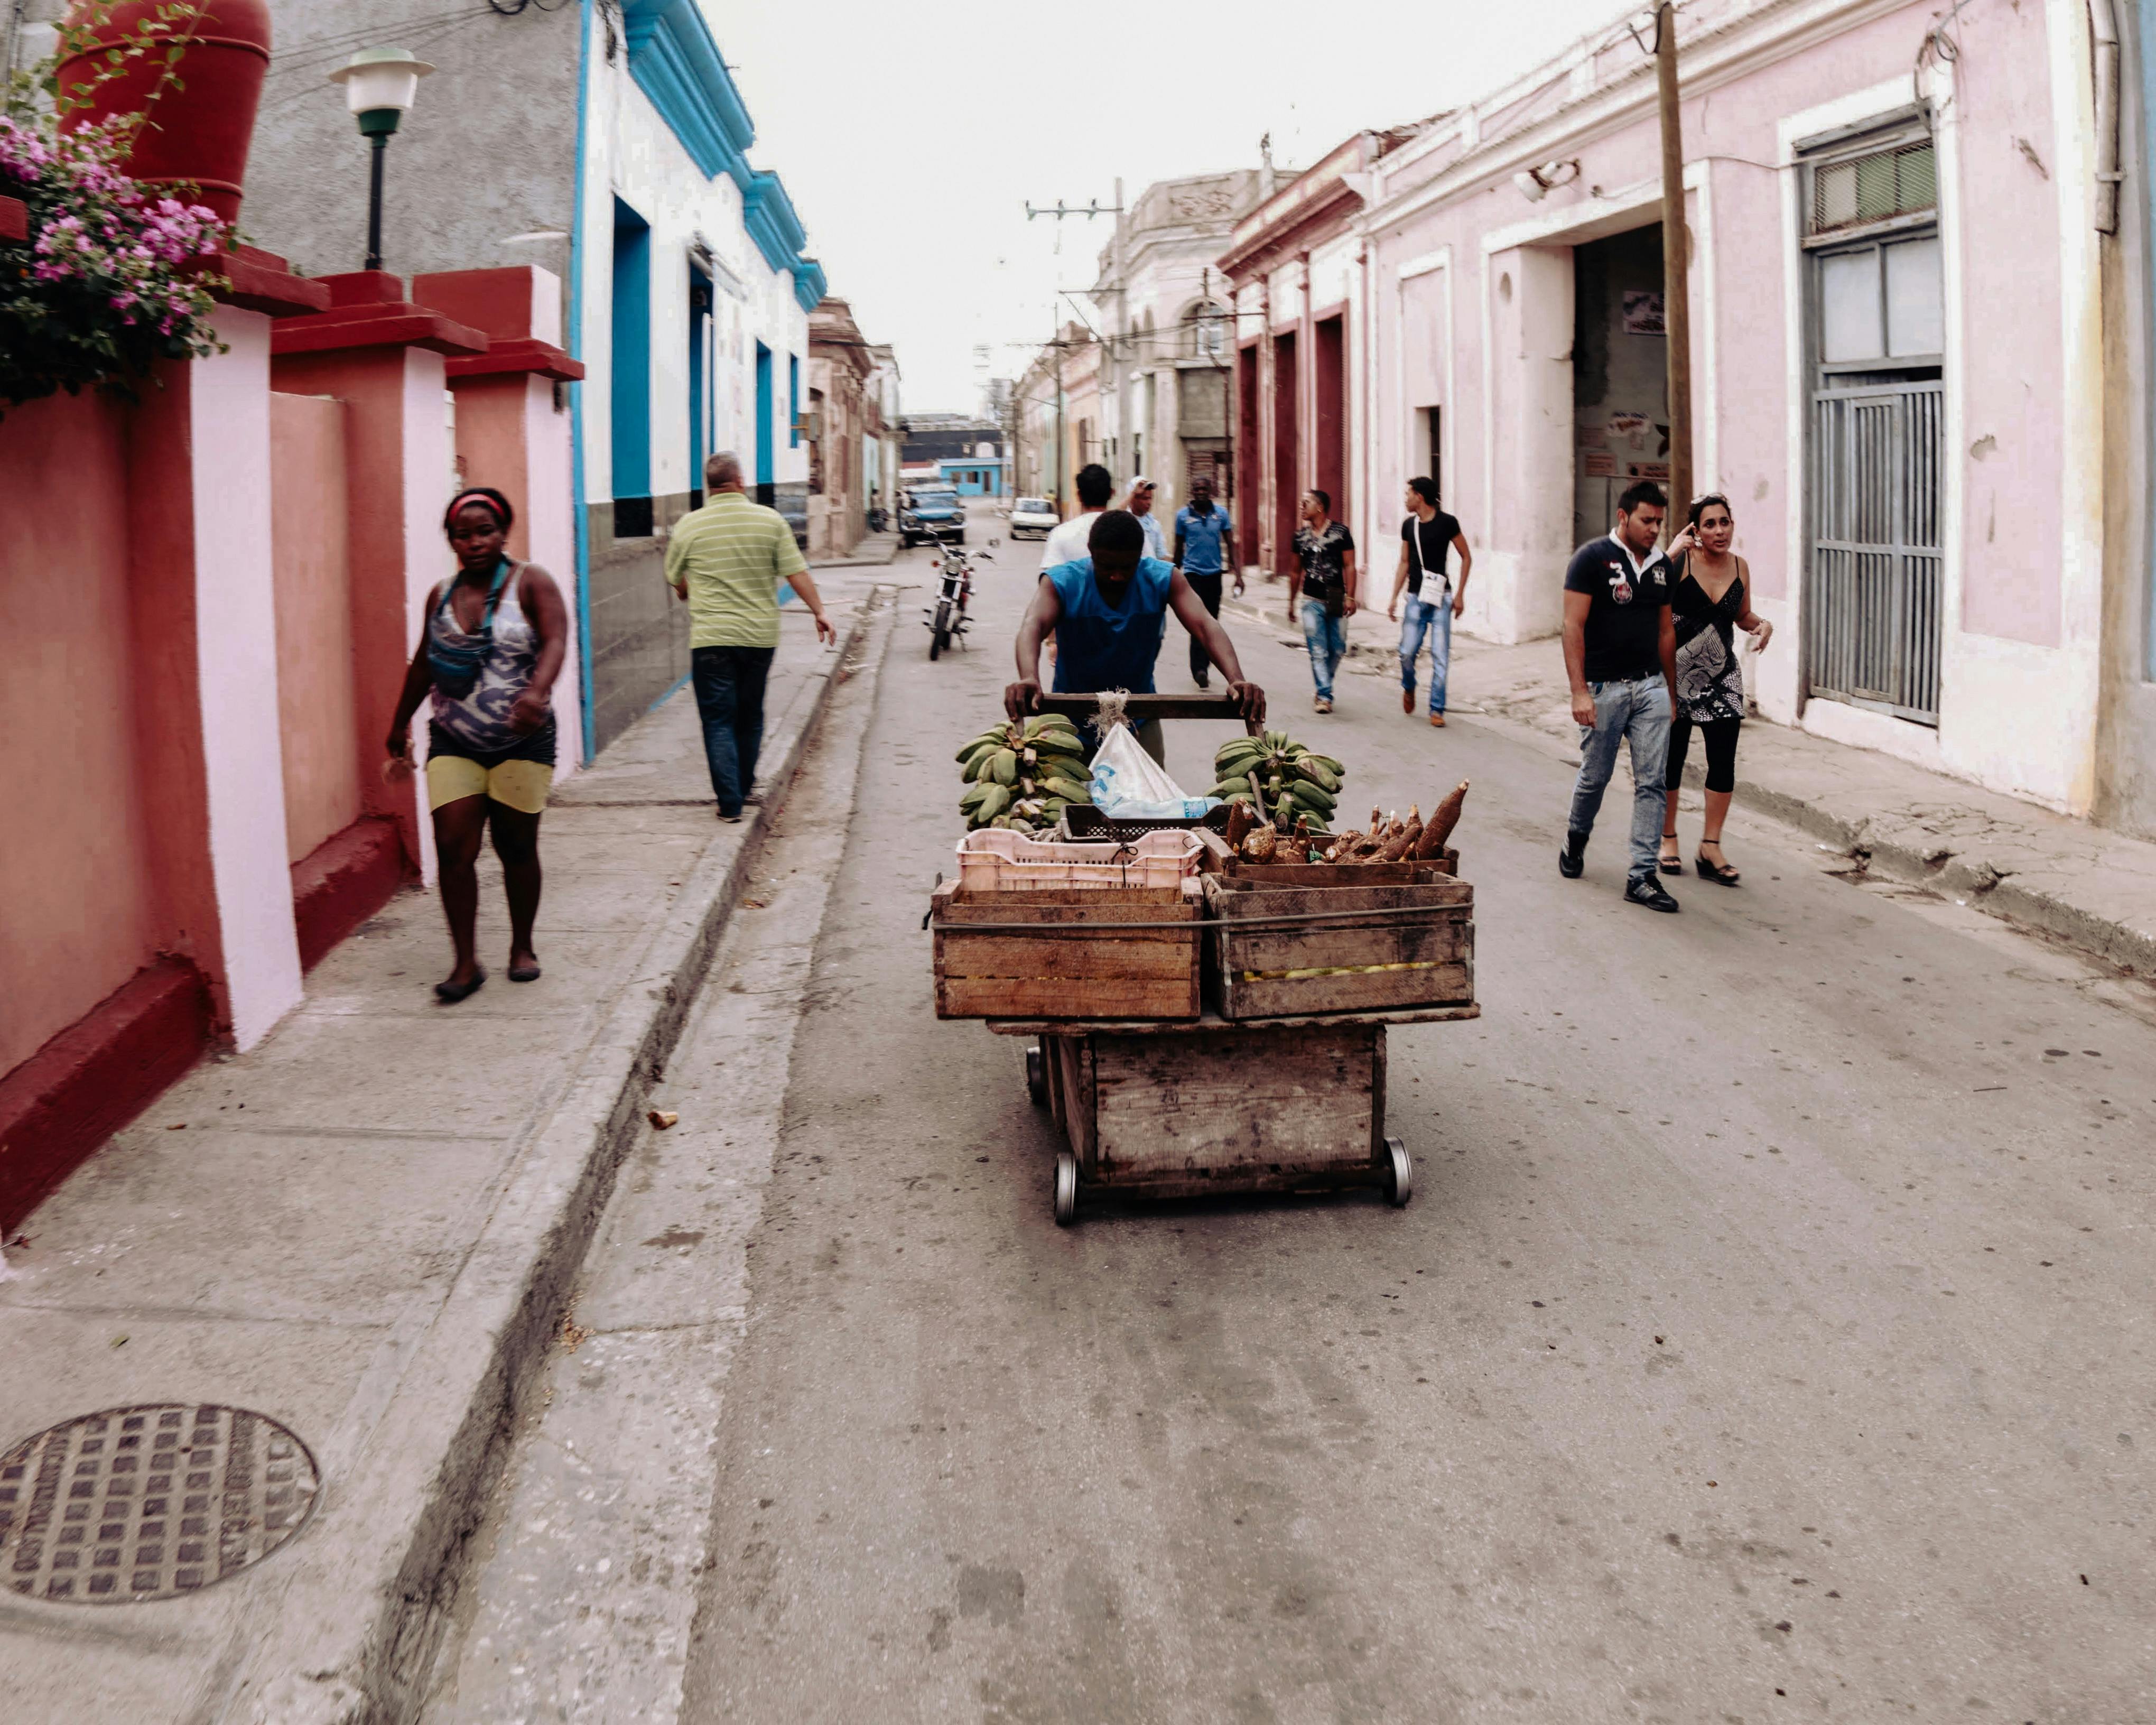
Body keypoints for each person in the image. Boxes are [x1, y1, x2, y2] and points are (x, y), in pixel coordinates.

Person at [385, 487, 570, 1003]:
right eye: (462, 535)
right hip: (454, 740)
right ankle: (465, 963)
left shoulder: (531, 583)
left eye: (484, 531)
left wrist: (538, 691)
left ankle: (522, 946)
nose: (475, 542)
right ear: (451, 541)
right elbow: (424, 662)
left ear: (504, 532)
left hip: (523, 741)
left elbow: (556, 637)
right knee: (452, 848)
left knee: (516, 848)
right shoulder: (440, 594)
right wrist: (398, 724)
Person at [1007, 511, 1265, 762]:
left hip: (1139, 714)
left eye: (1126, 568)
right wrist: (1029, 677)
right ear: (1091, 551)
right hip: (1071, 717)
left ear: (1140, 556)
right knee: (1066, 802)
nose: (1116, 575)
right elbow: (1033, 625)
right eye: (1107, 566)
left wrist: (1236, 679)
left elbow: (1206, 626)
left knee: (1154, 801)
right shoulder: (1061, 582)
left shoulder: (1163, 578)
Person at [666, 450, 838, 822]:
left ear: (709, 487)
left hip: (710, 639)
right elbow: (796, 572)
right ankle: (743, 785)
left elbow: (674, 575)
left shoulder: (688, 525)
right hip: (758, 638)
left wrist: (685, 590)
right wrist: (819, 611)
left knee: (717, 720)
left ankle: (730, 804)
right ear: (741, 482)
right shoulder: (770, 521)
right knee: (750, 715)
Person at [1557, 479, 1680, 912]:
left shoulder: (1664, 565)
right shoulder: (1590, 559)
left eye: (1660, 523)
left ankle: (1642, 875)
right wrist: (1579, 693)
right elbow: (1572, 626)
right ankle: (1576, 836)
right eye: (1647, 520)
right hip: (1604, 688)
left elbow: (1667, 631)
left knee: (1653, 781)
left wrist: (1672, 690)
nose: (1654, 529)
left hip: (1650, 687)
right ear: (1623, 517)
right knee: (1596, 776)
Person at [1657, 493, 1773, 886]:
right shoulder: (1679, 562)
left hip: (1722, 678)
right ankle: (1668, 837)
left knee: (1723, 764)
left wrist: (1761, 625)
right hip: (1675, 675)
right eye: (1709, 524)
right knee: (1671, 761)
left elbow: (1741, 616)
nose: (1719, 531)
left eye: (1725, 522)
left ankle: (1710, 845)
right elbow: (1648, 600)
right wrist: (1671, 552)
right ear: (1696, 529)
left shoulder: (1740, 567)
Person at [1386, 477, 1471, 727]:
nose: (1406, 499)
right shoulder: (1408, 526)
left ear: (1420, 497)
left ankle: (1437, 708)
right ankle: (1409, 686)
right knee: (1406, 653)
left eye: (1408, 494)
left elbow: (1466, 556)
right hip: (1415, 597)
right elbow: (1404, 562)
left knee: (1441, 655)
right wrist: (1393, 597)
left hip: (1441, 599)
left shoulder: (1448, 523)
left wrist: (1460, 595)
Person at [1289, 489, 1356, 714]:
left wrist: (1351, 596)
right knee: (1318, 650)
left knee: (1337, 649)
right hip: (1310, 600)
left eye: (1305, 503)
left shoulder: (1341, 532)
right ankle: (1325, 695)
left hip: (1337, 598)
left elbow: (1349, 566)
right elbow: (1296, 572)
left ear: (1319, 507)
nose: (1301, 507)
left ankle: (1322, 685)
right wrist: (1291, 602)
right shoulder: (1300, 537)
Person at [1172, 475, 1236, 689]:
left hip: (1214, 575)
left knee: (1212, 622)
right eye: (1197, 489)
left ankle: (1205, 665)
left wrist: (1238, 573)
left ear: (1210, 491)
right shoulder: (1182, 516)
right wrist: (1174, 571)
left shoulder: (1221, 515)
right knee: (1196, 621)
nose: (1200, 492)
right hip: (1192, 574)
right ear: (1193, 491)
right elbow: (1178, 546)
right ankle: (1199, 669)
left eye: (1204, 489)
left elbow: (1230, 542)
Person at [1039, 462, 1114, 571]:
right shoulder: (1131, 532)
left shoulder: (1061, 534)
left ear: (1079, 495)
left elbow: (1051, 580)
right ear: (1112, 493)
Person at [1124, 475, 1168, 560]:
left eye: (1151, 498)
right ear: (1133, 499)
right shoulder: (1124, 520)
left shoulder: (1154, 524)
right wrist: (1133, 492)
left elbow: (1161, 556)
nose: (1149, 502)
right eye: (1145, 499)